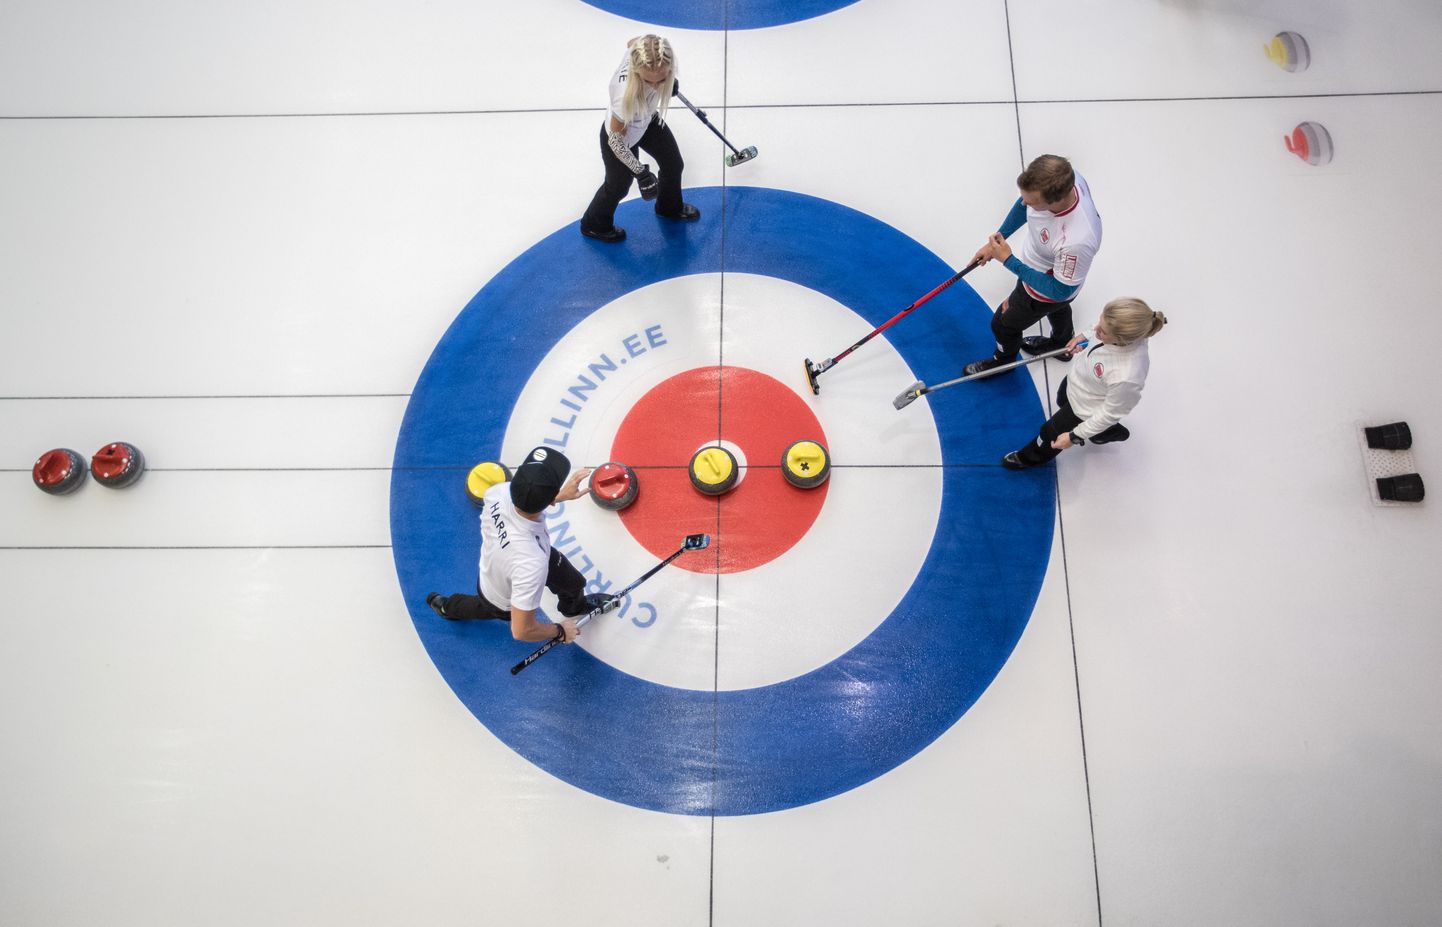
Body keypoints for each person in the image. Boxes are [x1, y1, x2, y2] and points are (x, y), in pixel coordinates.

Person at [426, 446, 613, 644]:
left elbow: (528, 504)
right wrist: (559, 631)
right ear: (548, 502)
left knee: (574, 584)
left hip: (513, 559)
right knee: (481, 607)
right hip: (501, 596)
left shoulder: (498, 492)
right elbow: (522, 630)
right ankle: (448, 607)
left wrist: (558, 496)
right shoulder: (531, 563)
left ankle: (573, 608)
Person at [963, 154, 1103, 376]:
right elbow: (1022, 206)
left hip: (1044, 290)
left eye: (1032, 202)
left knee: (1003, 324)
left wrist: (1008, 260)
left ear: (1054, 201)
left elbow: (1059, 290)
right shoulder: (1068, 177)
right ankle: (1061, 343)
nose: (1025, 203)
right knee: (1060, 309)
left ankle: (1003, 360)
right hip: (1058, 273)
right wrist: (998, 240)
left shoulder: (1076, 240)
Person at [1002, 298, 1167, 470]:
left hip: (1084, 408)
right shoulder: (1121, 330)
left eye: (1102, 332)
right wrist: (1083, 336)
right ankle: (1103, 431)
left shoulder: (1127, 376)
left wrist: (1074, 436)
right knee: (1061, 400)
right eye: (1099, 322)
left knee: (1049, 434)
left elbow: (1110, 412)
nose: (1095, 330)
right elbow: (1098, 329)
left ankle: (1029, 458)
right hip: (1078, 382)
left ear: (1122, 339)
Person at [579, 34, 700, 243]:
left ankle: (668, 208)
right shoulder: (623, 95)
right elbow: (615, 142)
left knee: (673, 164)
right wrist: (640, 172)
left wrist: (669, 83)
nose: (656, 86)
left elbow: (632, 42)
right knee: (618, 185)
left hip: (647, 120)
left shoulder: (645, 51)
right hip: (621, 135)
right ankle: (594, 223)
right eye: (648, 81)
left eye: (662, 79)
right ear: (636, 72)